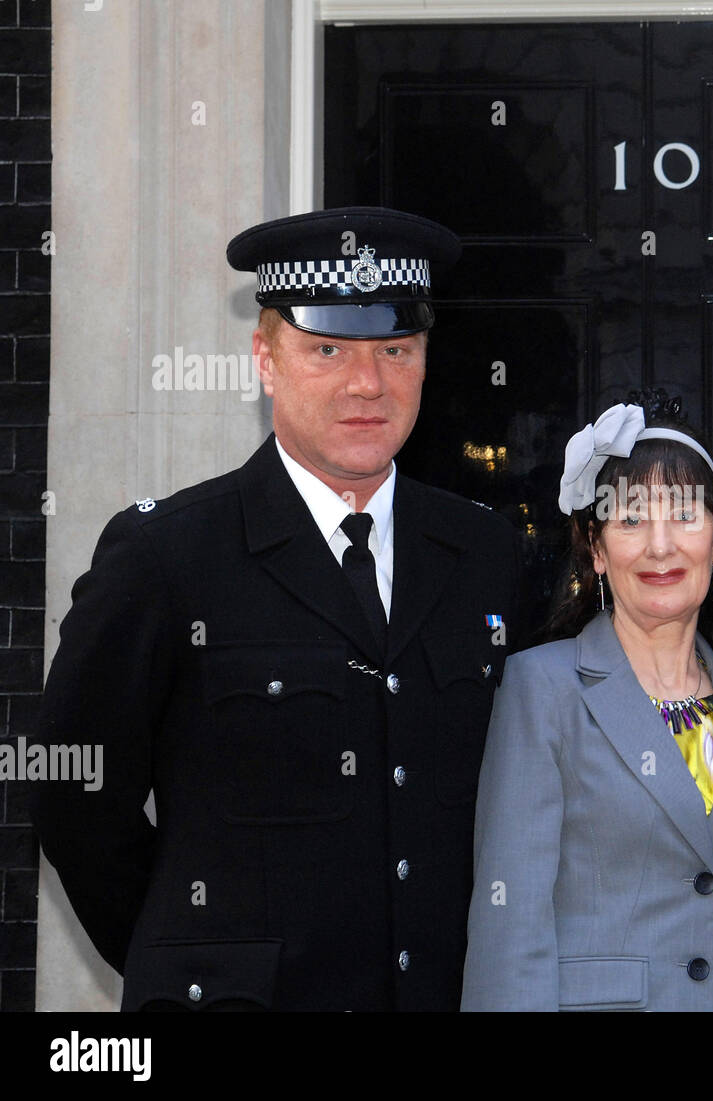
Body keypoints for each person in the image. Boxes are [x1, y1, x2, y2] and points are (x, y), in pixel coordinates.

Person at [33, 207, 522, 1011]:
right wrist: (187, 957)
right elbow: (72, 791)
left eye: (395, 349)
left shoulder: (482, 554)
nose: (368, 383)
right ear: (265, 358)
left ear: (426, 361)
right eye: (327, 349)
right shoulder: (167, 555)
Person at [461, 397, 713, 1011]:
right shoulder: (542, 690)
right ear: (596, 549)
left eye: (685, 517)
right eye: (632, 520)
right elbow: (510, 935)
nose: (660, 546)